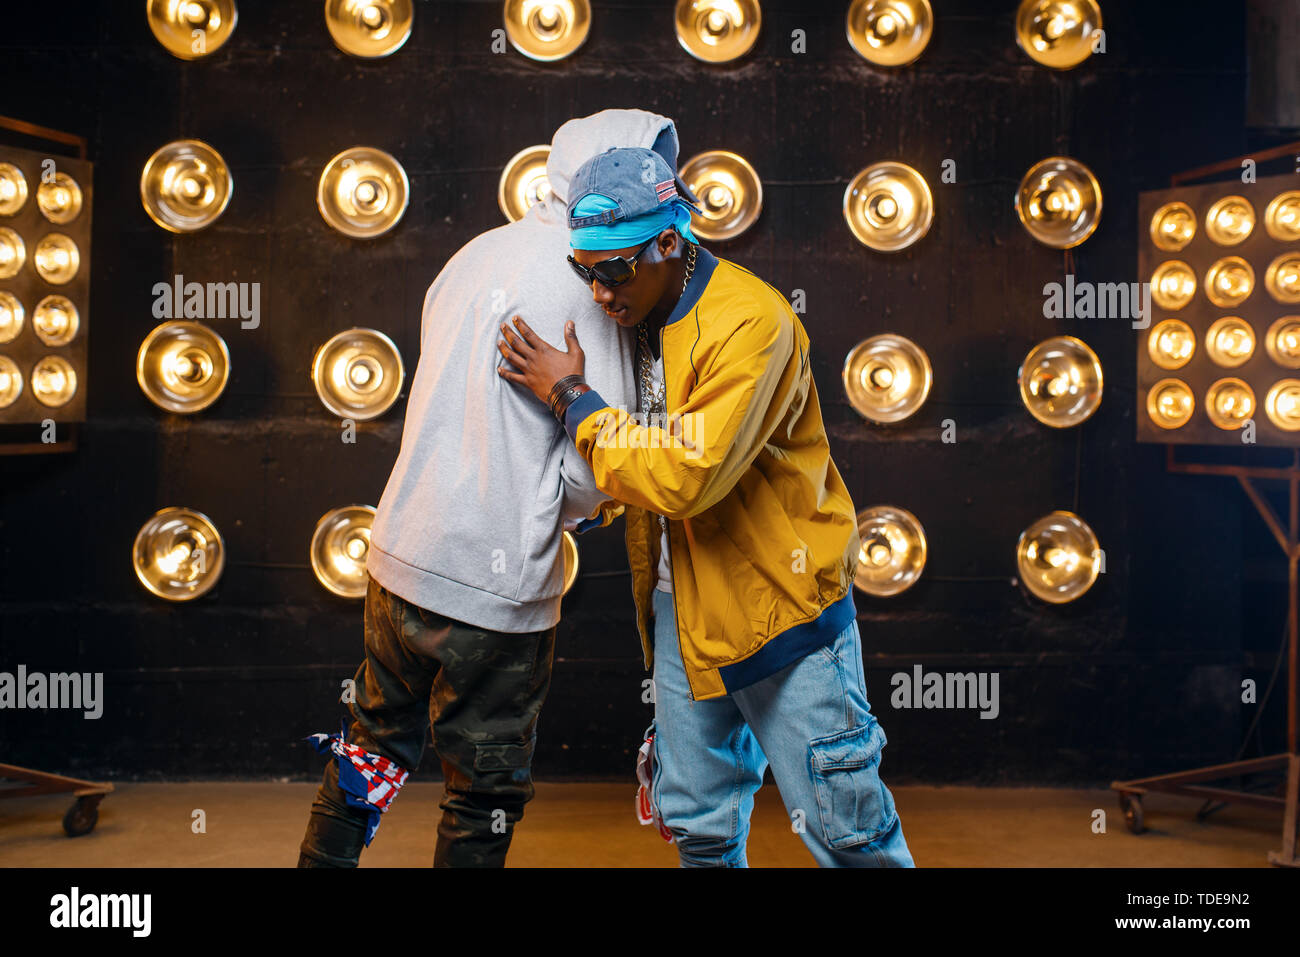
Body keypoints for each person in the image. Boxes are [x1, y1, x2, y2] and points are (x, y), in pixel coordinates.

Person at [497, 146, 915, 867]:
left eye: (614, 269)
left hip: (782, 613)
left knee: (849, 833)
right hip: (679, 611)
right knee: (697, 824)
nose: (598, 292)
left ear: (670, 240)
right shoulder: (637, 315)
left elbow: (687, 476)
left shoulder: (752, 322)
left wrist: (571, 399)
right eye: (583, 269)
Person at [297, 111, 688, 868]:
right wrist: (570, 506)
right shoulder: (600, 275)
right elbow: (595, 460)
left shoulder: (476, 251)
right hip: (496, 586)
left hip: (400, 551)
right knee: (483, 798)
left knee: (369, 756)